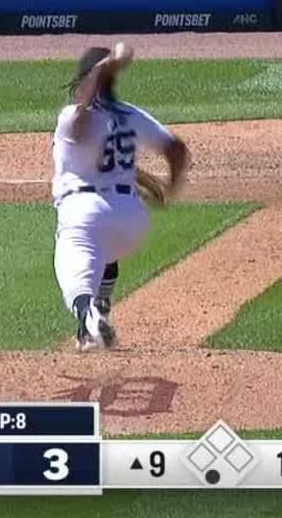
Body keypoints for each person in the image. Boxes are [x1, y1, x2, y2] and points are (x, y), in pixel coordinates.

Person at [52, 43, 190, 351]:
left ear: (85, 80)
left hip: (84, 212)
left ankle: (89, 319)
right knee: (103, 250)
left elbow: (81, 127)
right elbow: (177, 150)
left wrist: (101, 70)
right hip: (132, 221)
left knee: (72, 276)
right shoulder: (131, 114)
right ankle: (101, 306)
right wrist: (169, 187)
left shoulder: (72, 117)